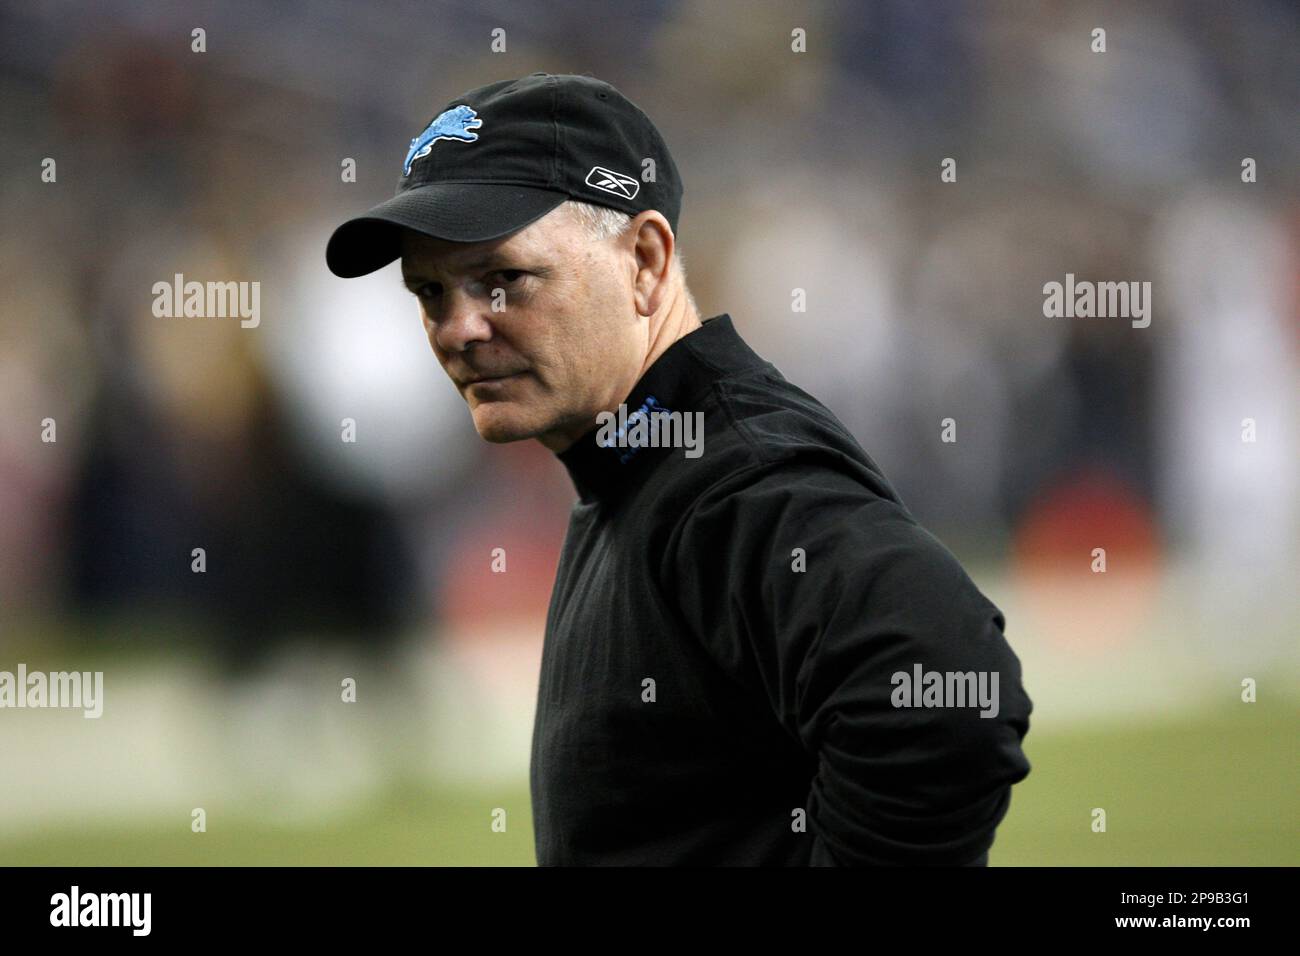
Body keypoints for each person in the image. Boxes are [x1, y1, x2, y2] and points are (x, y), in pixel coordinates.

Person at [326, 72, 1032, 866]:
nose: (458, 328)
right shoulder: (638, 463)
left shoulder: (727, 475)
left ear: (646, 262)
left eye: (503, 279)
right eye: (429, 292)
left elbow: (953, 692)